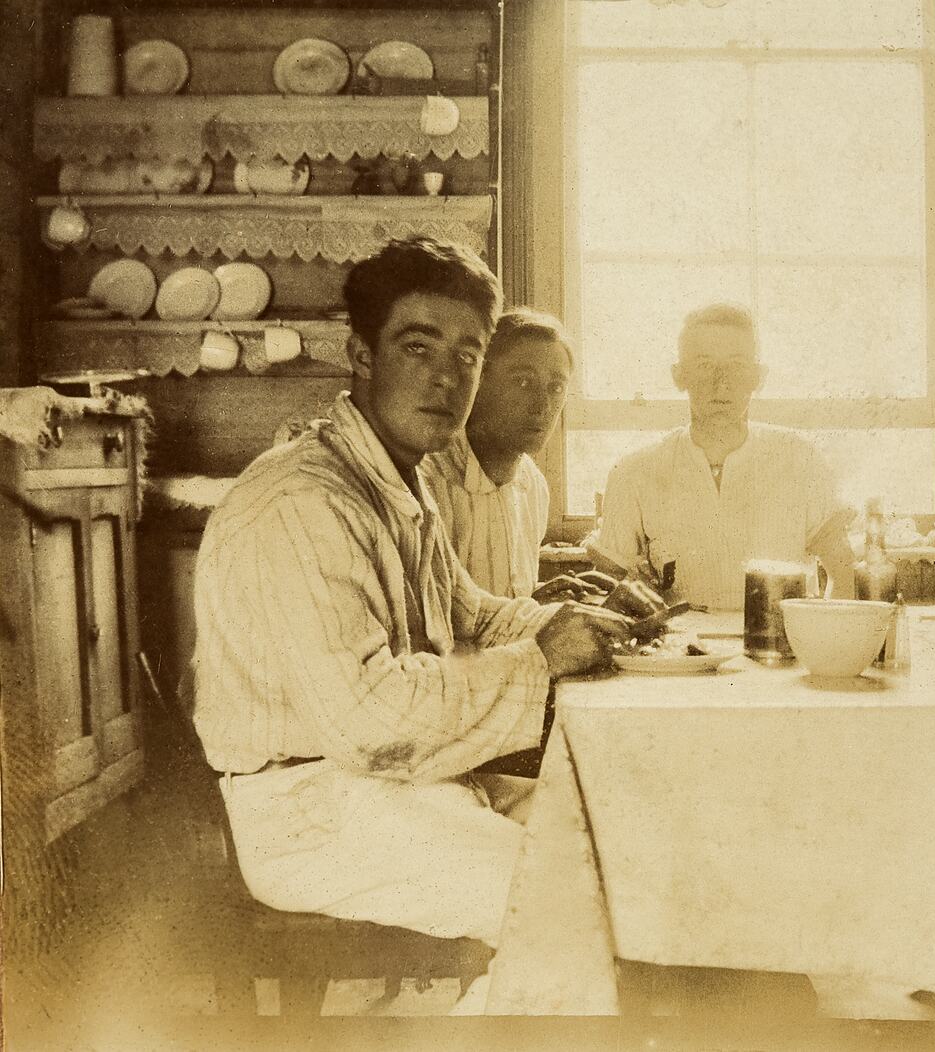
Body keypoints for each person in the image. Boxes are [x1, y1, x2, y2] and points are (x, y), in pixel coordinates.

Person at [192, 237, 631, 947]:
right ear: (361, 355)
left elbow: (473, 615)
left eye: (467, 355)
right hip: (308, 812)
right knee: (562, 903)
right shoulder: (305, 498)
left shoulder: (399, 479)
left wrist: (575, 620)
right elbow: (368, 719)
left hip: (389, 785)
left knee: (625, 841)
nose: (447, 380)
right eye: (418, 349)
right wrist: (543, 658)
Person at [586, 303, 857, 610]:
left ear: (758, 376)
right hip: (677, 653)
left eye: (737, 365)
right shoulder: (634, 471)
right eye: (704, 365)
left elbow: (843, 576)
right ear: (679, 376)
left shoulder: (802, 460)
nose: (721, 382)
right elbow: (606, 592)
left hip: (780, 652)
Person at [423, 307, 608, 602]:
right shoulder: (427, 484)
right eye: (523, 382)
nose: (542, 406)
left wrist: (540, 600)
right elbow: (429, 630)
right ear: (479, 381)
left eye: (556, 388)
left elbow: (501, 606)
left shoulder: (532, 486)